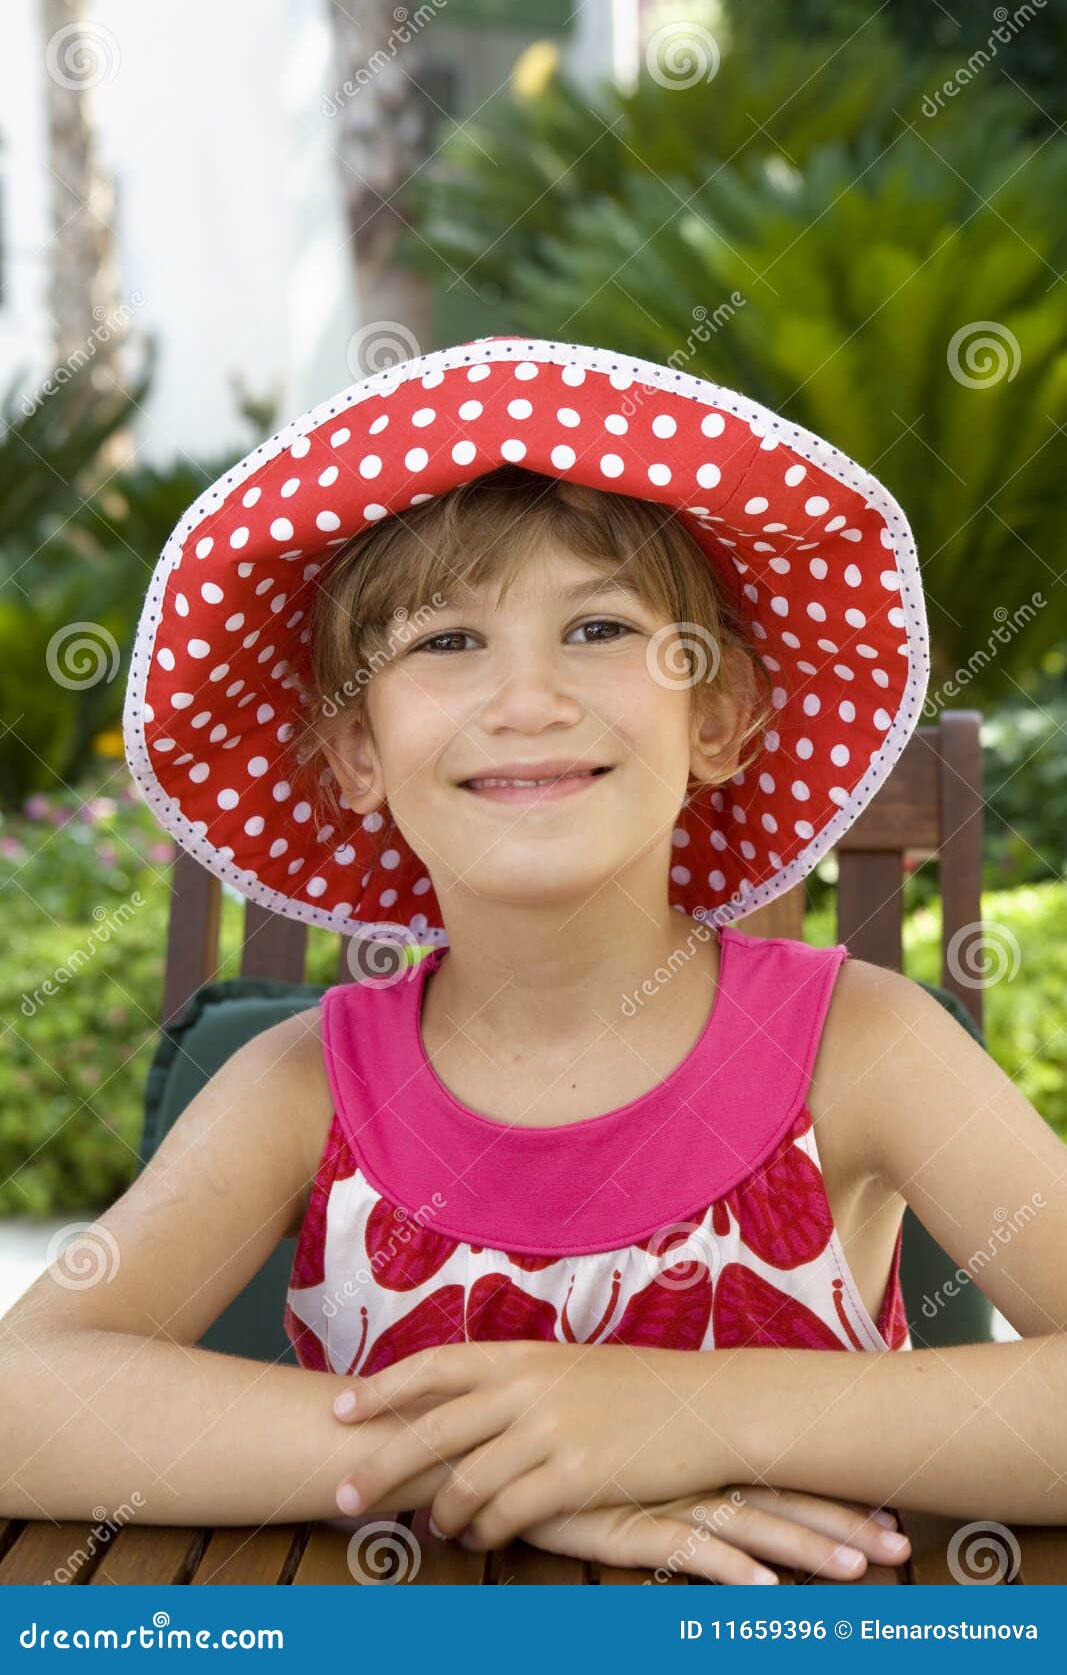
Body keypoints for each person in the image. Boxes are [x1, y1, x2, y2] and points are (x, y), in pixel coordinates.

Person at [5, 337, 1065, 1586]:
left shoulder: (855, 1047)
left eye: (599, 626)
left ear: (715, 716)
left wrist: (682, 1416)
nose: (526, 698)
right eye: (446, 643)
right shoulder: (309, 1087)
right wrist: (499, 1464)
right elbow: (26, 1392)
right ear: (354, 752)